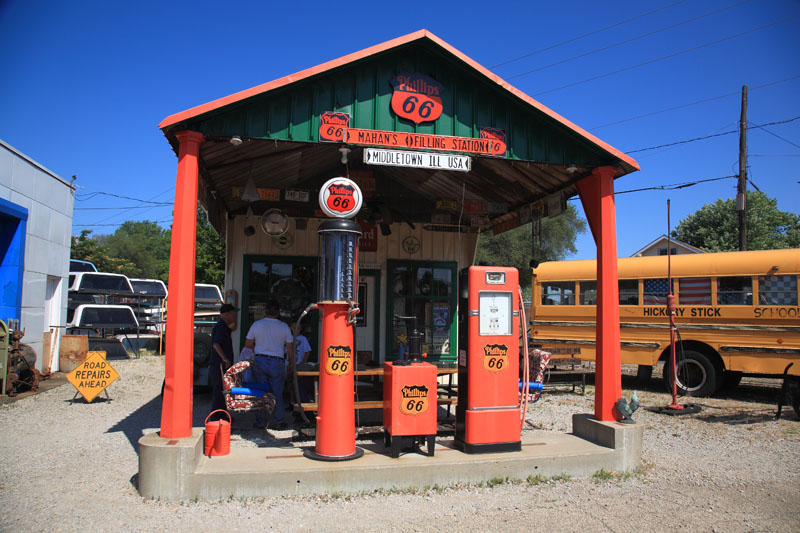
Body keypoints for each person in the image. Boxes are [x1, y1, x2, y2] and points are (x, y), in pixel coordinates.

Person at [244, 299, 294, 430]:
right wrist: (291, 363)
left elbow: (248, 344)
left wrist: (259, 349)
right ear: (278, 312)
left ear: (265, 311)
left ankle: (261, 421)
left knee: (261, 391)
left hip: (260, 359)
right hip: (277, 360)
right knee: (277, 392)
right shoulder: (284, 327)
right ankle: (278, 420)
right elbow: (290, 348)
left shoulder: (257, 325)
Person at [208, 303, 238, 421]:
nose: (234, 315)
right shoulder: (221, 327)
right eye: (232, 313)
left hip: (220, 363)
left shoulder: (224, 326)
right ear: (227, 314)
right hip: (219, 364)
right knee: (219, 390)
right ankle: (216, 417)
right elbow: (216, 344)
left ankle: (222, 415)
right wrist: (224, 358)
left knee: (223, 390)